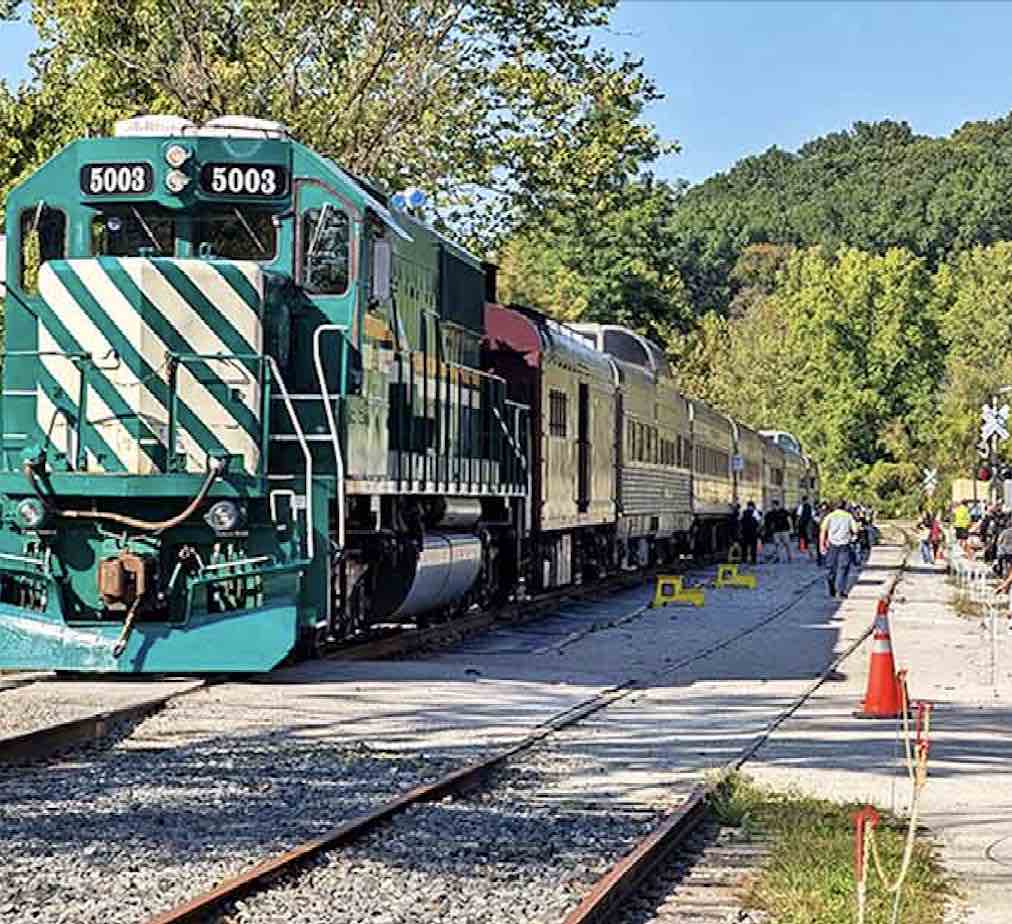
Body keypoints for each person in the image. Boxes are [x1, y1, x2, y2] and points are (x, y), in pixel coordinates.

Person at [820, 499, 858, 597]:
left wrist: (822, 545)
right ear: (844, 506)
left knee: (831, 568)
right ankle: (840, 591)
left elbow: (823, 531)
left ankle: (831, 587)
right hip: (845, 545)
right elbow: (855, 530)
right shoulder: (848, 516)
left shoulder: (829, 516)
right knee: (843, 568)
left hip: (832, 545)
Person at [740, 500, 760, 564]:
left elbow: (740, 520)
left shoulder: (743, 512)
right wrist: (758, 530)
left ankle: (744, 559)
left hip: (745, 532)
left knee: (744, 546)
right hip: (753, 532)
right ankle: (753, 560)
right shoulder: (755, 512)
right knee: (753, 547)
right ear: (753, 506)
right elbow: (759, 521)